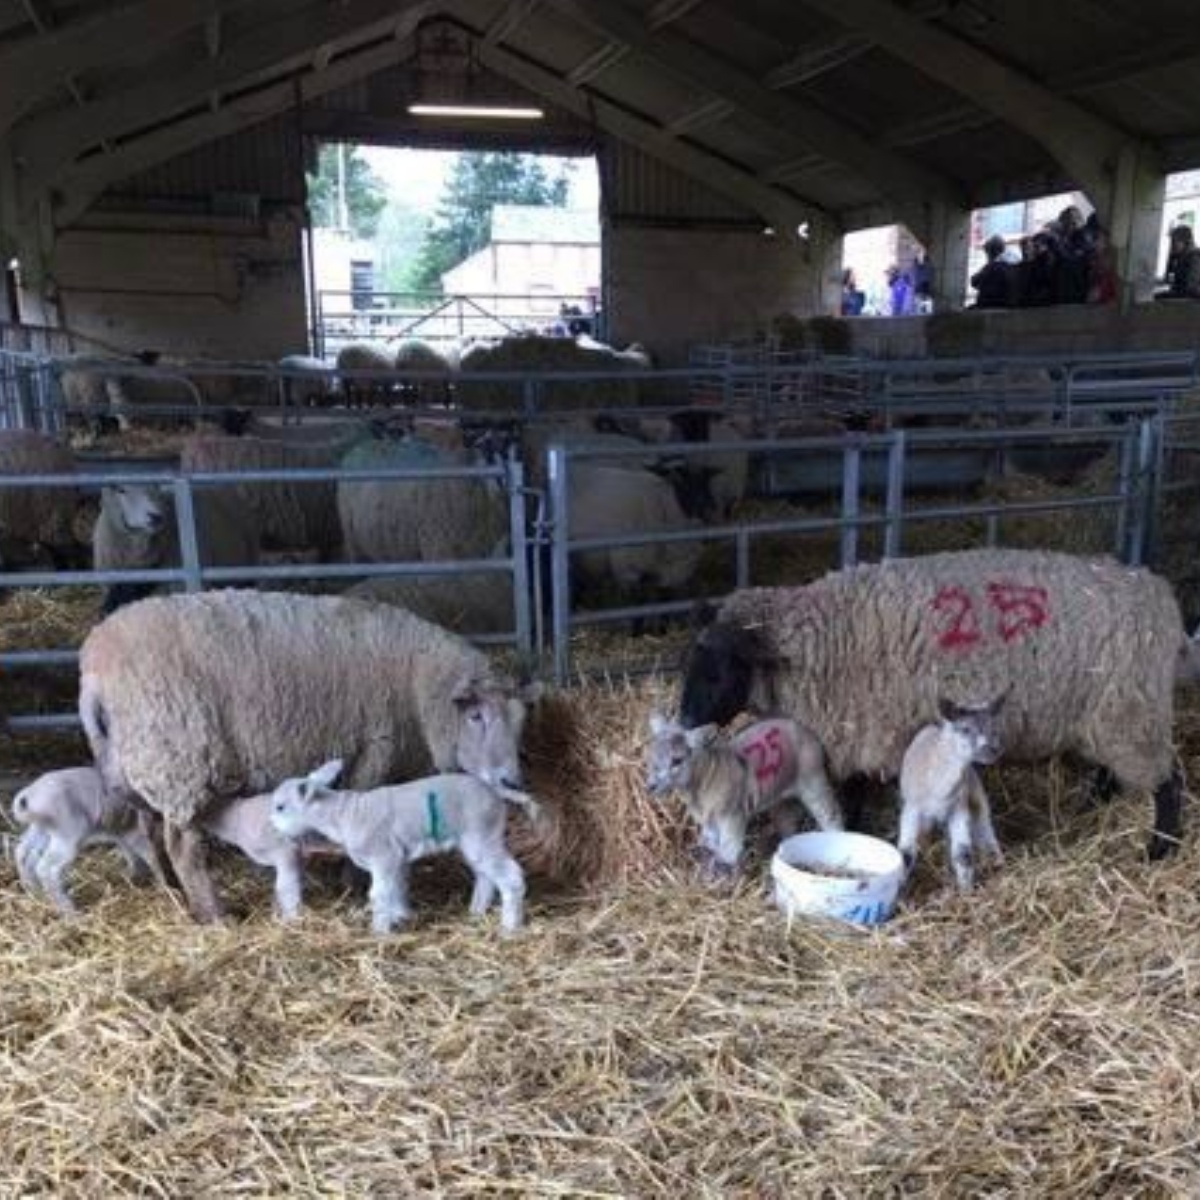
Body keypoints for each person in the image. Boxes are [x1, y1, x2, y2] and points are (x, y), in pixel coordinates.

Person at [1155, 225, 1200, 300]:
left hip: (1190, 299)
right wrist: (1171, 258)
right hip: (1183, 296)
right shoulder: (1181, 256)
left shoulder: (1194, 257)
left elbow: (1191, 288)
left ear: (1185, 242)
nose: (1173, 245)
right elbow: (1168, 277)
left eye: (1175, 241)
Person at [970, 234, 1014, 308]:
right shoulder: (1009, 266)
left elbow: (974, 281)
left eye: (987, 252)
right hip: (1004, 305)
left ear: (990, 251)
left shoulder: (992, 266)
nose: (986, 255)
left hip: (989, 306)